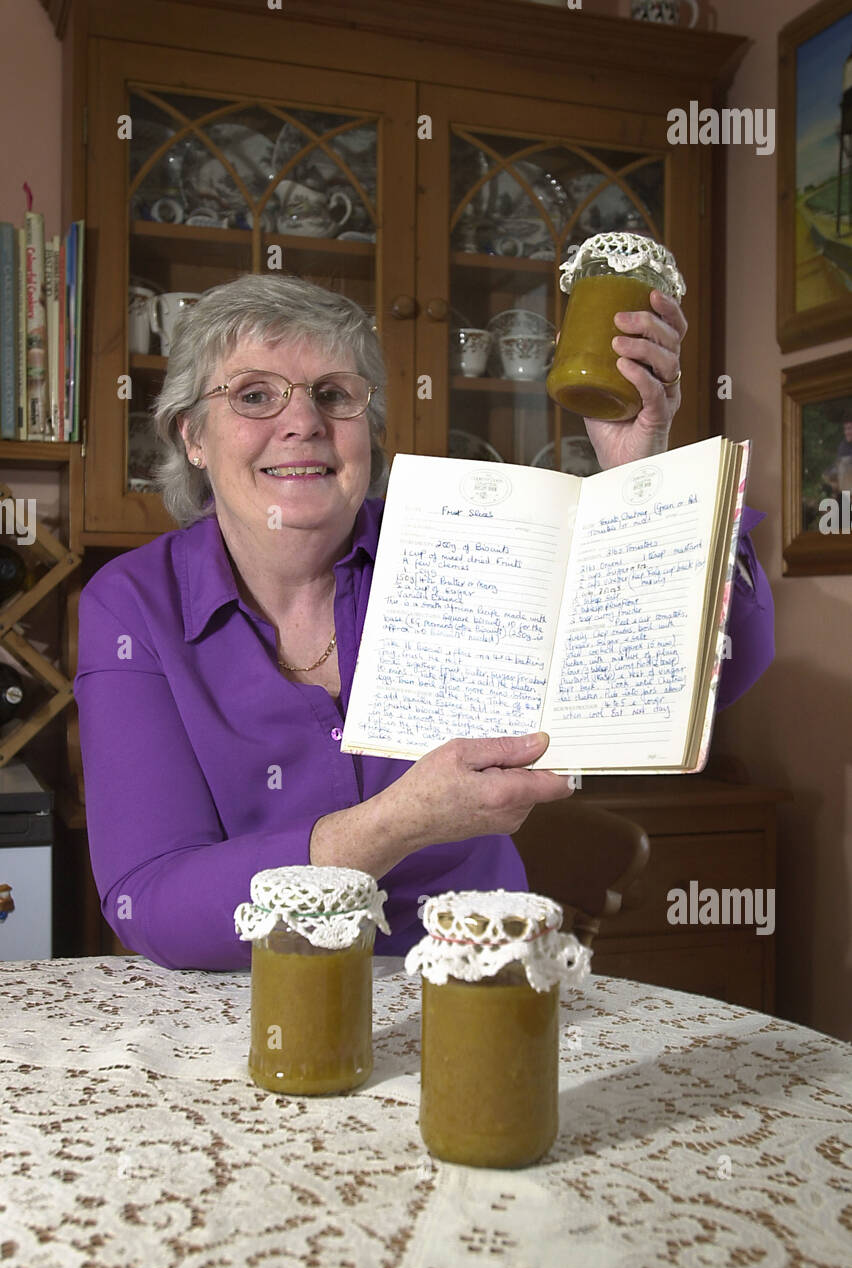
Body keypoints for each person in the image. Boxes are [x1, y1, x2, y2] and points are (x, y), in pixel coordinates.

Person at [74, 274, 773, 969]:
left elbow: (704, 681)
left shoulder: (466, 542)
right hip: (253, 998)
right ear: (193, 436)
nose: (304, 424)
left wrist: (636, 471)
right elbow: (154, 901)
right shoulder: (133, 605)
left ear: (368, 435)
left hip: (470, 990)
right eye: (255, 395)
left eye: (334, 395)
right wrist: (394, 825)